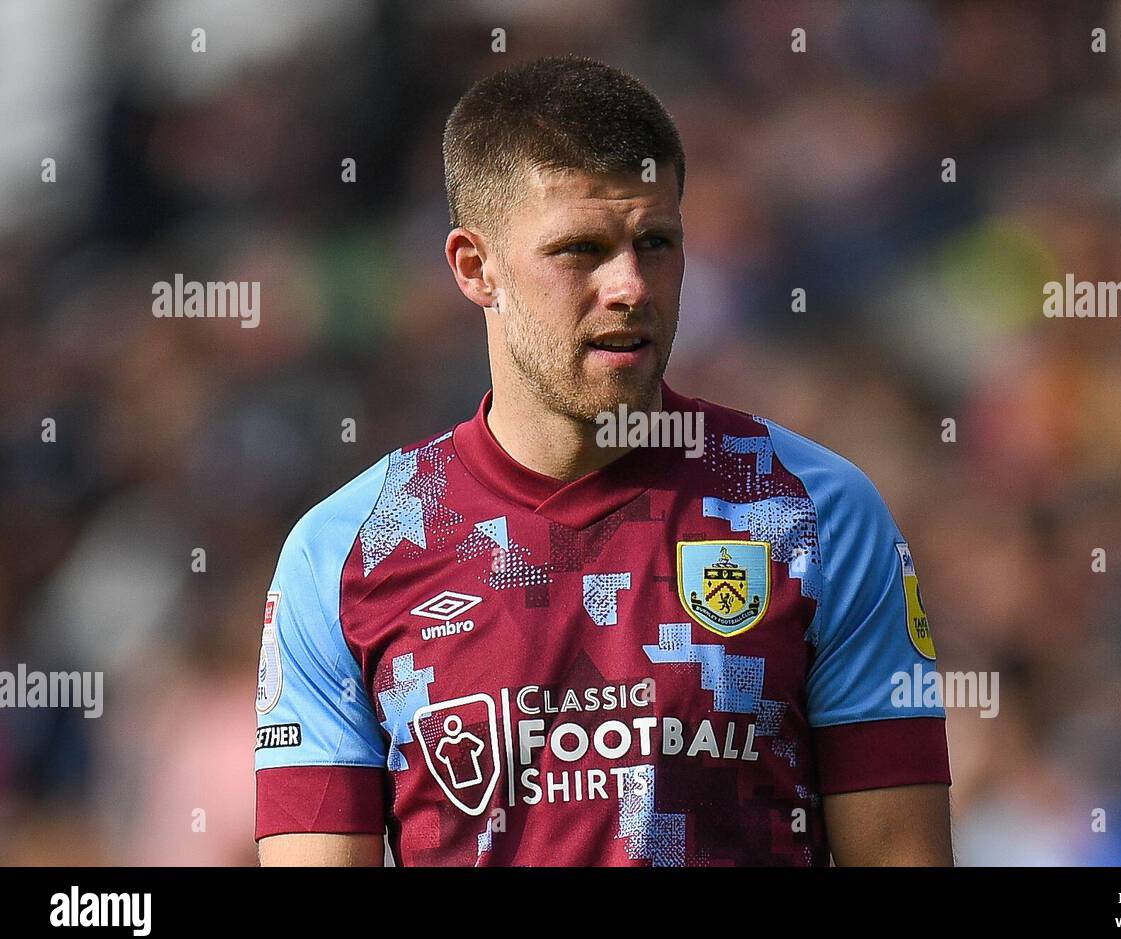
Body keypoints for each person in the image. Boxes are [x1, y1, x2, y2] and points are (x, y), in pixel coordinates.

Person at [255, 54, 952, 866]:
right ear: (477, 270)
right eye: (581, 249)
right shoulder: (347, 554)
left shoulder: (811, 514)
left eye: (655, 242)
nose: (630, 286)